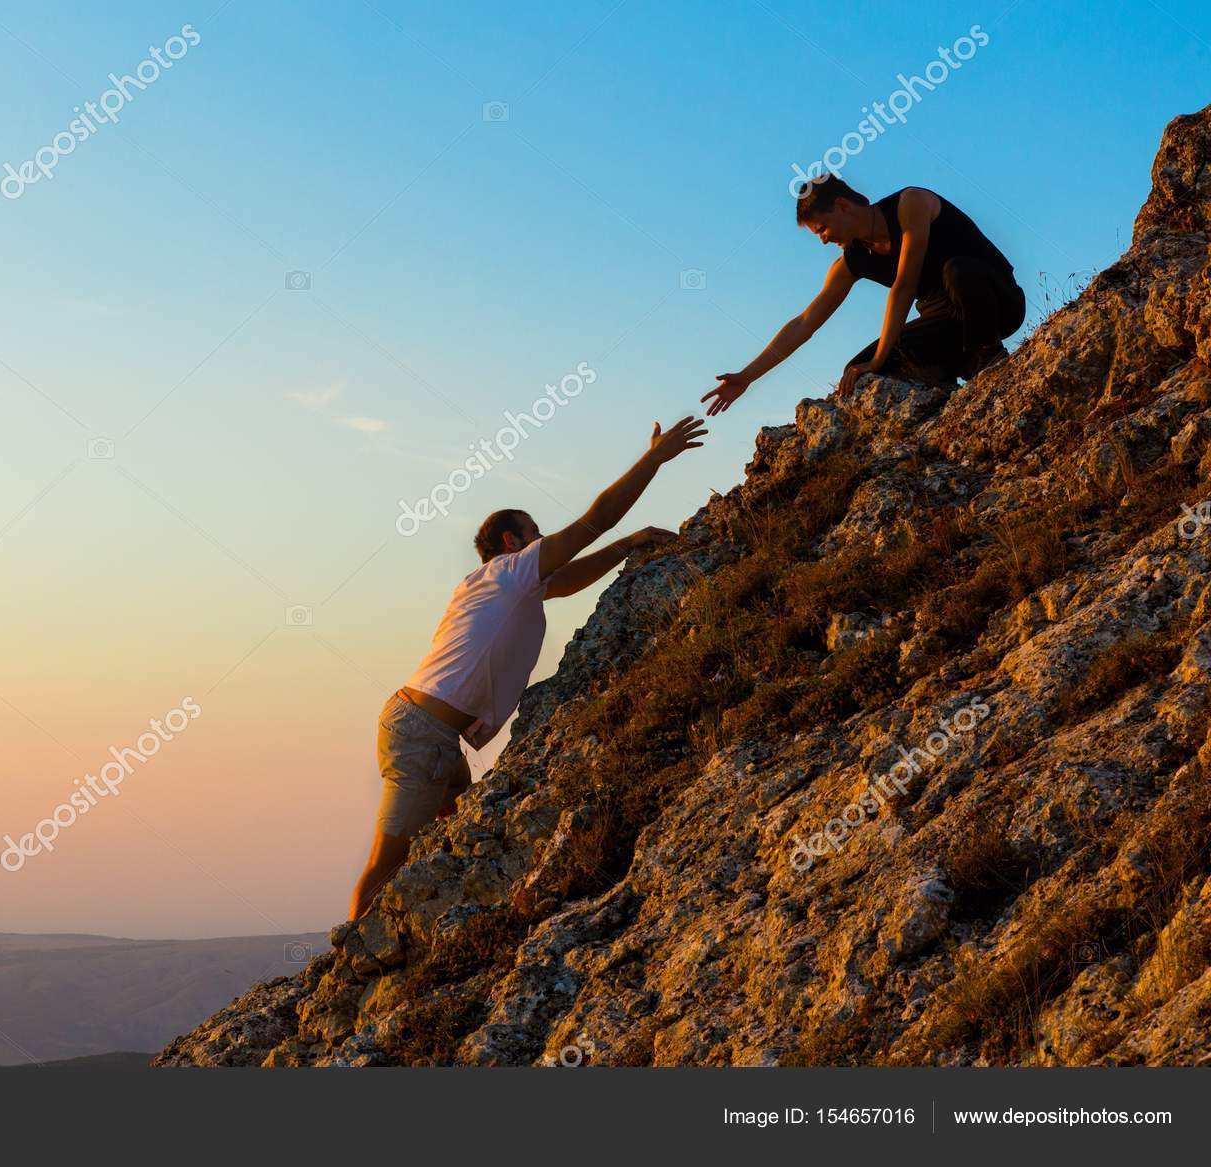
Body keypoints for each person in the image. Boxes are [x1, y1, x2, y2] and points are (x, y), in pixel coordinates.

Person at [345, 416, 708, 921]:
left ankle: (420, 938)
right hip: (421, 735)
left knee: (452, 849)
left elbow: (568, 579)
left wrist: (627, 546)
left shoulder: (497, 582)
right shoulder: (512, 573)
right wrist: (654, 460)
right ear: (514, 543)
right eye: (536, 535)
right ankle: (344, 963)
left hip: (431, 734)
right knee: (388, 861)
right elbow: (595, 519)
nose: (545, 543)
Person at [702, 175, 1024, 416]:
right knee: (857, 371)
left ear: (842, 206)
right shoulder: (849, 263)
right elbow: (804, 323)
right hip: (946, 324)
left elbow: (904, 284)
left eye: (822, 230)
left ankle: (989, 357)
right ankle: (949, 380)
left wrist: (880, 356)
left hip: (995, 303)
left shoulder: (911, 204)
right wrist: (746, 377)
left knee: (957, 271)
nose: (823, 241)